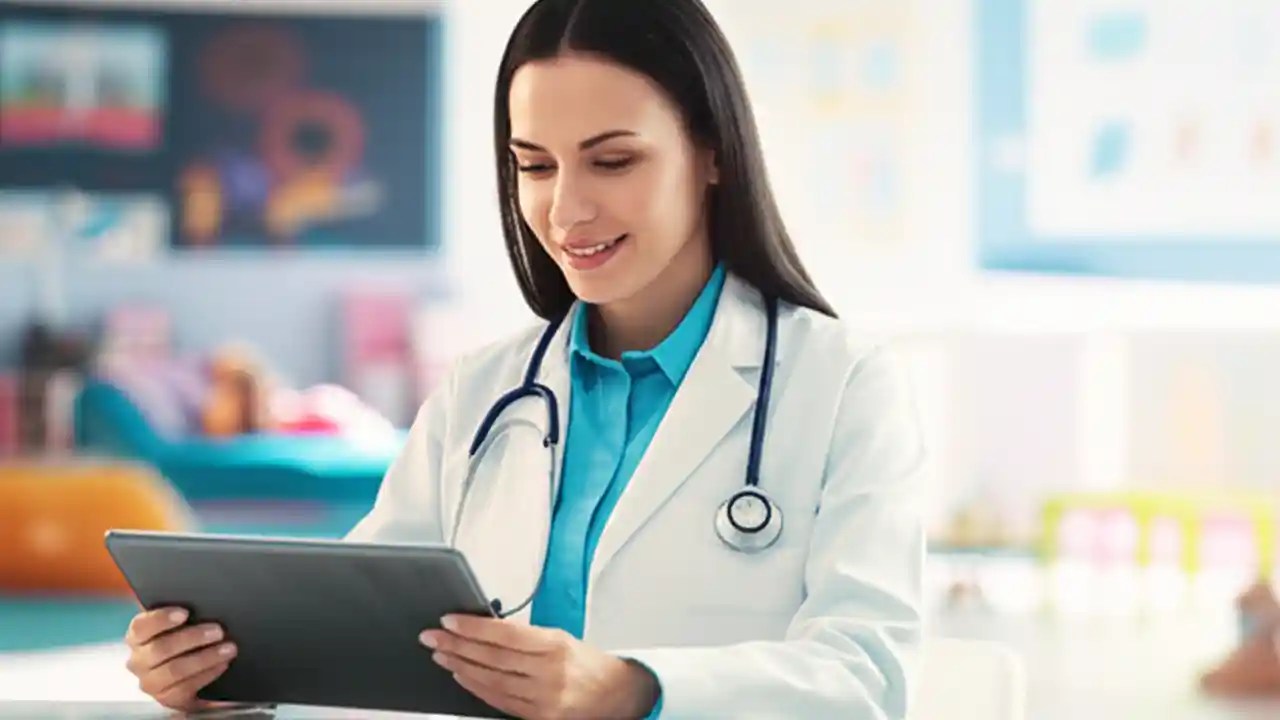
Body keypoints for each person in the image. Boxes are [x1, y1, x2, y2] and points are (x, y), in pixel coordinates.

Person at [121, 0, 927, 716]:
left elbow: (867, 677)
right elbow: (360, 631)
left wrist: (634, 690)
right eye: (535, 166)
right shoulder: (481, 392)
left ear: (713, 152)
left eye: (613, 161)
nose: (565, 210)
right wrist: (228, 674)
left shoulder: (844, 385)